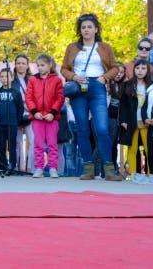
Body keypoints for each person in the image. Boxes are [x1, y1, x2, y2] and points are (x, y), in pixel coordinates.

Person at [60, 13, 122, 181]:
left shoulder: (104, 47)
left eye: (89, 27)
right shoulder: (72, 47)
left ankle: (109, 168)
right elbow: (64, 68)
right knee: (82, 129)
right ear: (80, 30)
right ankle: (88, 168)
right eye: (83, 27)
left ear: (96, 29)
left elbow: (115, 68)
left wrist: (105, 78)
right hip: (78, 88)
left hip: (98, 87)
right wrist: (73, 77)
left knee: (101, 128)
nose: (86, 30)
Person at [26, 54, 64, 178]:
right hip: (37, 117)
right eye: (38, 65)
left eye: (42, 65)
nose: (40, 68)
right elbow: (29, 97)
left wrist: (52, 113)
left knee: (53, 143)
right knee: (38, 143)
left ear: (50, 65)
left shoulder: (57, 80)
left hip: (51, 118)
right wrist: (34, 111)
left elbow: (60, 98)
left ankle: (53, 167)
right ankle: (39, 167)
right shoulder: (32, 80)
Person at [117, 59, 153, 176]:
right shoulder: (128, 85)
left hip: (146, 121)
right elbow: (122, 105)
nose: (140, 71)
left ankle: (150, 173)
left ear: (147, 70)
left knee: (149, 149)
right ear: (134, 70)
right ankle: (132, 174)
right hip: (131, 121)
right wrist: (123, 120)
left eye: (143, 68)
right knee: (132, 148)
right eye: (137, 68)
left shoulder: (152, 86)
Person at [0, 68, 23, 174]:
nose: (4, 79)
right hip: (1, 123)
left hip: (12, 123)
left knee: (12, 145)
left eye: (6, 76)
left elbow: (20, 107)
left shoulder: (16, 92)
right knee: (1, 145)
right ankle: (2, 165)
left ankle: (12, 165)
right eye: (2, 76)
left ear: (11, 77)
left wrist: (17, 121)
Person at [12, 54, 34, 173]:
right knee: (17, 141)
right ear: (15, 65)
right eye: (18, 63)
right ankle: (18, 167)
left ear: (27, 65)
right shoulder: (11, 80)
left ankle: (31, 167)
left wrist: (31, 106)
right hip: (17, 112)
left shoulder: (32, 79)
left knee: (33, 140)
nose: (20, 65)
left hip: (30, 112)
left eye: (23, 63)